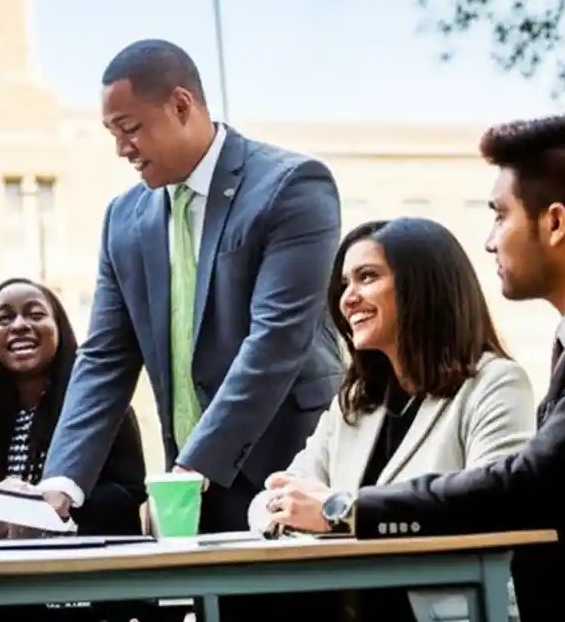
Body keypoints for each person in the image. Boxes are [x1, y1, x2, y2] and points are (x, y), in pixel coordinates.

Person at [266, 114, 565, 622]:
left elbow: (529, 487)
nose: (489, 241)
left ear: (554, 223)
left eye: (500, 216)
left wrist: (344, 510)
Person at [36, 39, 345, 618]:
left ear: (182, 105)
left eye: (129, 128)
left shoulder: (292, 185)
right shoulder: (123, 218)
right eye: (111, 134)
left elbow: (277, 340)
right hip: (190, 488)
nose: (122, 149)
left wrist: (190, 468)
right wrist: (62, 484)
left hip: (289, 472)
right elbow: (104, 358)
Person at [253, 217, 535, 620]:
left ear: (424, 287)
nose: (347, 298)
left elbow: (489, 507)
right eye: (344, 285)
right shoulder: (355, 402)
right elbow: (275, 499)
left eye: (367, 277)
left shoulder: (496, 384)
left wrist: (337, 511)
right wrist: (287, 509)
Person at [0, 278, 161, 622]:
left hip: (90, 579)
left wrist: (37, 509)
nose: (20, 325)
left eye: (35, 314)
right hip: (22, 573)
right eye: (5, 318)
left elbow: (127, 499)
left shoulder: (96, 409)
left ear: (59, 329)